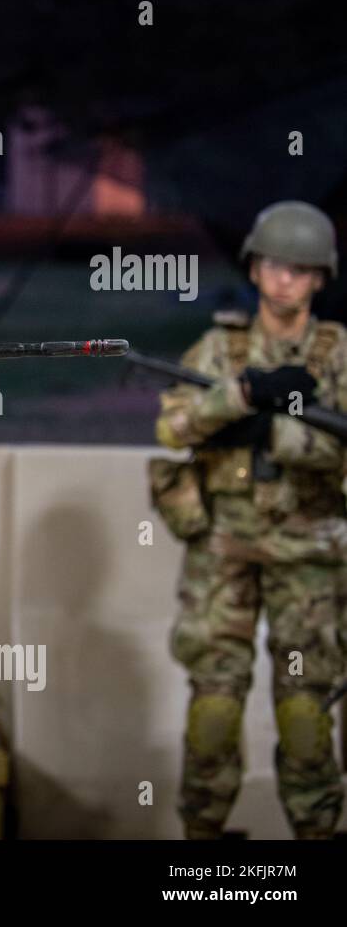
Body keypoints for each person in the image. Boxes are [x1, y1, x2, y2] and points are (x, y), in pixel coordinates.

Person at [155, 200, 347, 839]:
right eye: (273, 265)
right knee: (212, 711)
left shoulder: (339, 353)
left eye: (300, 269)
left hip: (310, 552)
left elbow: (339, 443)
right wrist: (239, 397)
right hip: (224, 547)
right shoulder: (219, 348)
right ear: (255, 269)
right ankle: (201, 848)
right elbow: (172, 425)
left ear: (320, 277)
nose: (284, 280)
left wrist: (284, 436)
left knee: (303, 716)